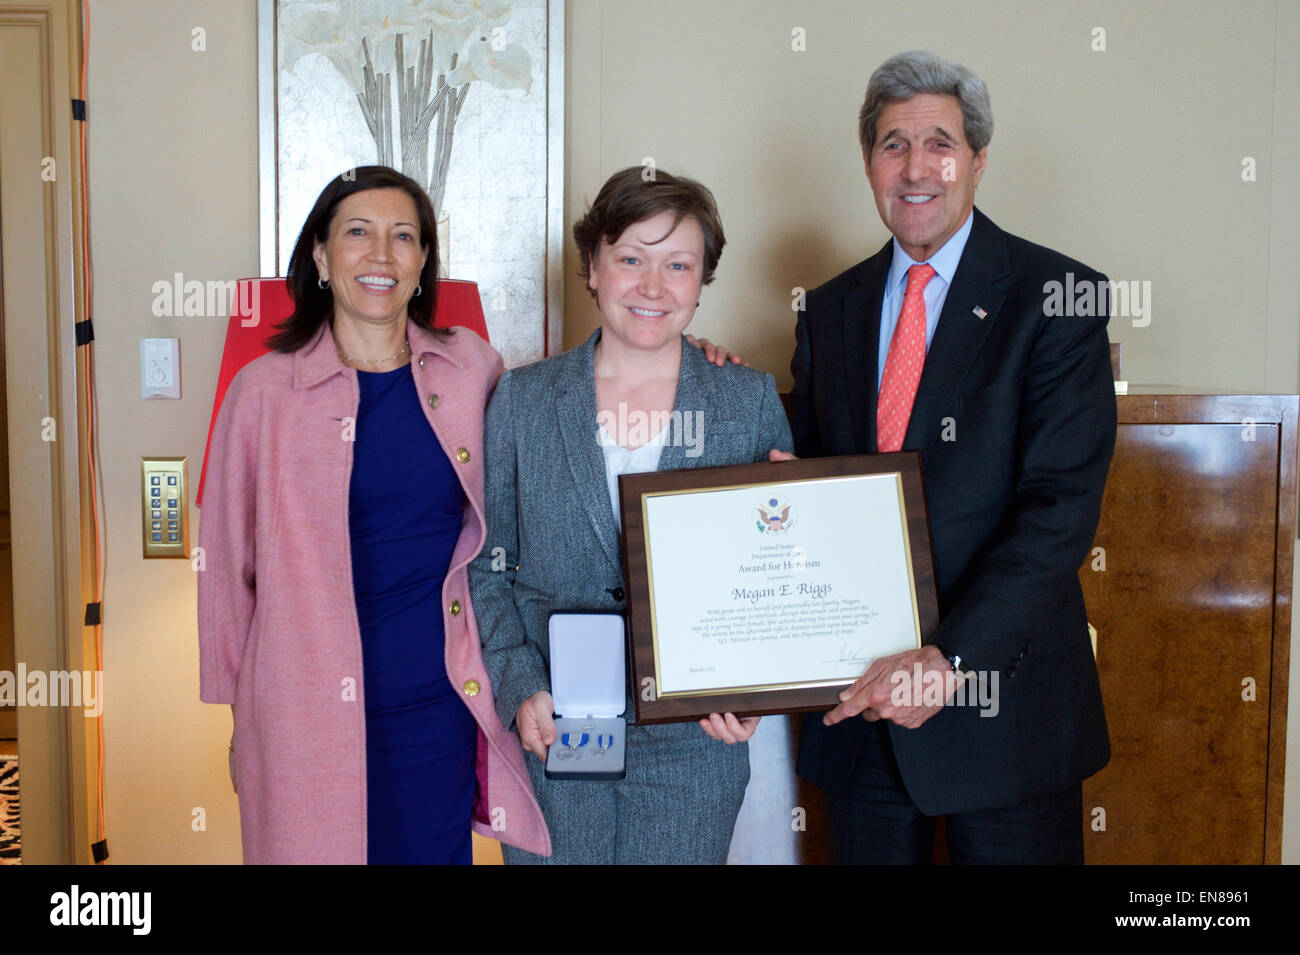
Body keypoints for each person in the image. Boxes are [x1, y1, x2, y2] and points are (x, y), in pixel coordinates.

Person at [791, 51, 1117, 864]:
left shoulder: (1058, 298)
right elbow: (802, 476)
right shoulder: (828, 310)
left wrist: (951, 658)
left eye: (940, 143)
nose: (916, 168)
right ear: (869, 162)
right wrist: (706, 378)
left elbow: (1057, 513)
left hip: (1006, 714)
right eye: (893, 145)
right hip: (863, 712)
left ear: (977, 159)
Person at [197, 165, 551, 863]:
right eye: (358, 232)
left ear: (423, 264)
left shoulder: (472, 368)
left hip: (437, 705)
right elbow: (225, 566)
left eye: (403, 236)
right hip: (299, 711)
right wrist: (240, 715)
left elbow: (539, 468)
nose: (381, 254)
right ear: (321, 256)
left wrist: (681, 359)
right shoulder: (262, 391)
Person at [469, 166, 794, 864]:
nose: (653, 285)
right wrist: (520, 683)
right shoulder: (521, 400)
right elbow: (486, 567)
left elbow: (777, 578)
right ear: (593, 267)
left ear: (702, 280)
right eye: (631, 259)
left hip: (694, 740)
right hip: (555, 722)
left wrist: (755, 692)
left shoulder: (747, 400)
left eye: (678, 265)